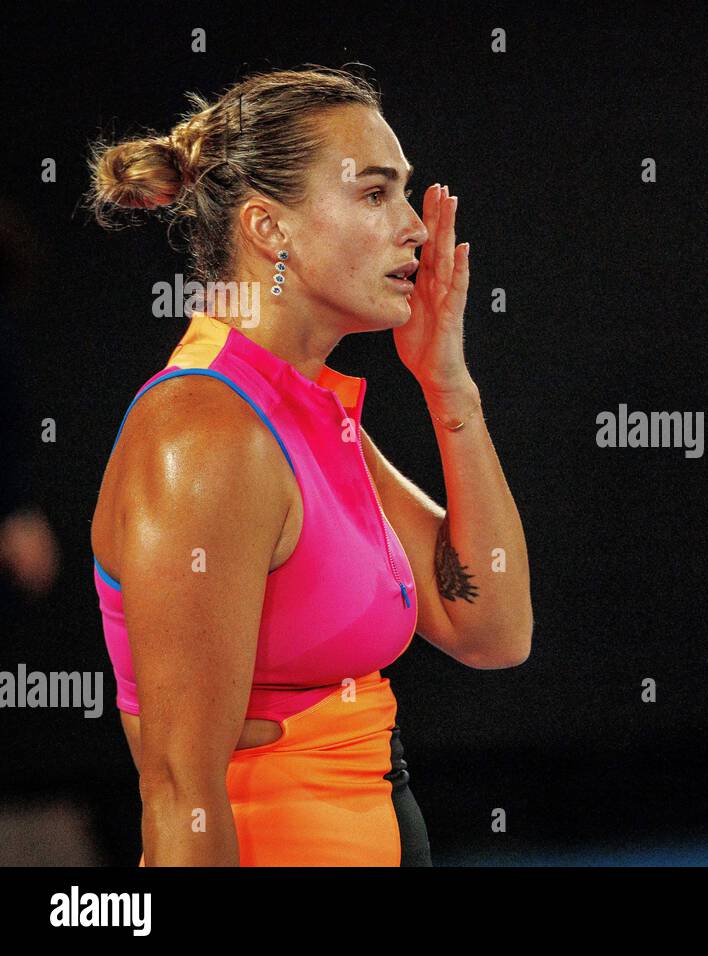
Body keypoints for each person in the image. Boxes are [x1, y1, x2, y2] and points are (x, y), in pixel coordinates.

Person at [83, 65, 533, 866]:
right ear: (268, 229)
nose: (416, 228)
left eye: (405, 192)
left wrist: (449, 387)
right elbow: (181, 799)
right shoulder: (205, 432)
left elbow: (492, 626)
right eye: (374, 194)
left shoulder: (305, 409)